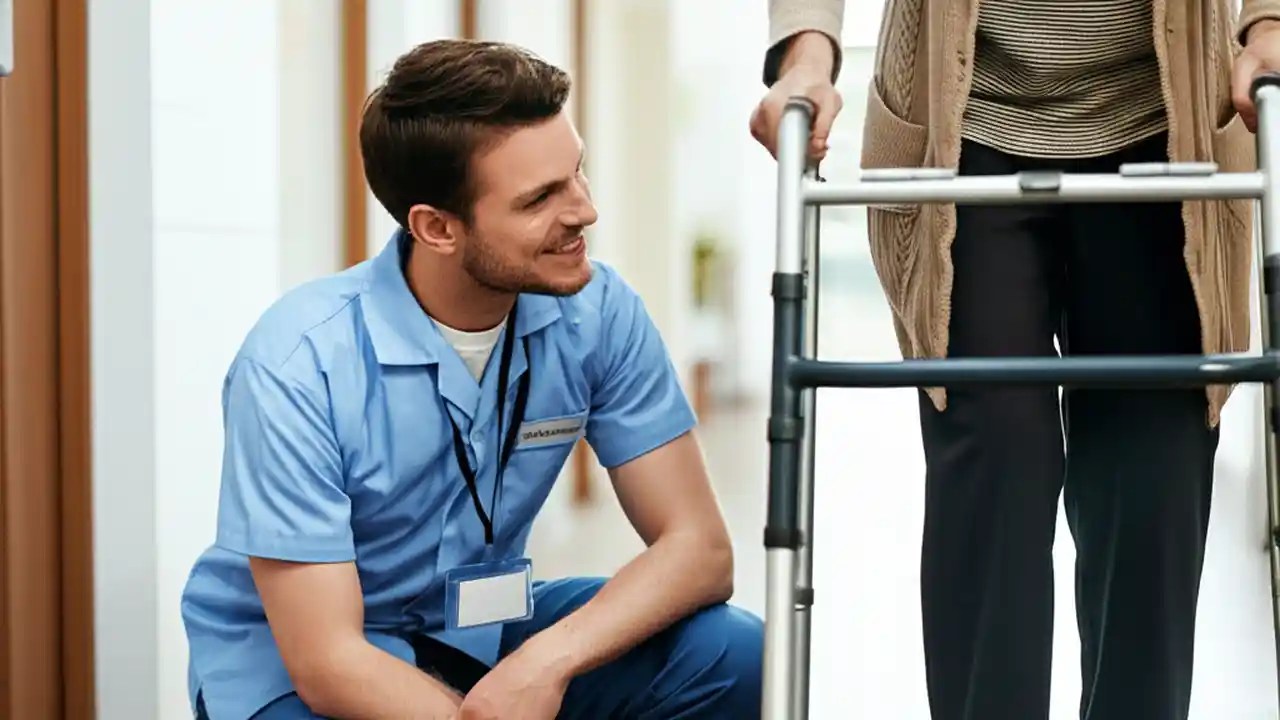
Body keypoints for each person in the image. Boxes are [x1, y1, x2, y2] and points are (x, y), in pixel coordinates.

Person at [181, 38, 762, 720]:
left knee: (731, 652)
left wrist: (547, 662)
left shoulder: (596, 313)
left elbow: (699, 549)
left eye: (577, 173)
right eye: (541, 198)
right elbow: (328, 660)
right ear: (437, 228)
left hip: (477, 631)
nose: (584, 211)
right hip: (300, 664)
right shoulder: (296, 364)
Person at [751, 1, 1280, 719]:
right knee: (999, 454)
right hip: (963, 120)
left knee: (1152, 474)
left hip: (1167, 116)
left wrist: (1270, 26)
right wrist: (806, 59)